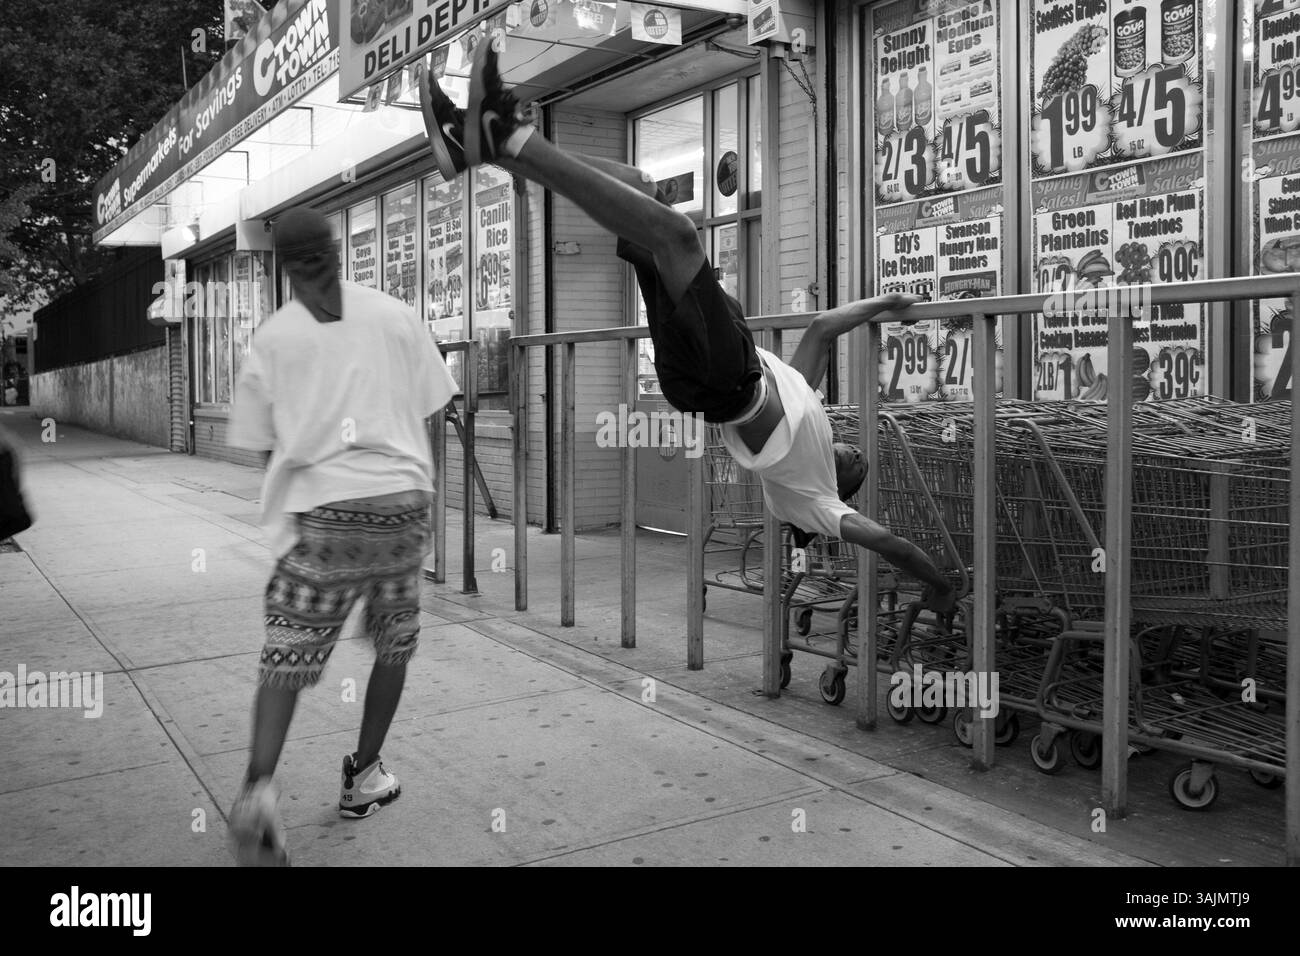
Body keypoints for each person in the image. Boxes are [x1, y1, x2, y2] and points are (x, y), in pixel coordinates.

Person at [419, 41, 955, 612]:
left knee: (676, 234)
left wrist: (940, 584)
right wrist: (886, 300)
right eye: (857, 452)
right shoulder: (803, 395)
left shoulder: (814, 500)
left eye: (856, 465)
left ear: (843, 483)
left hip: (725, 385)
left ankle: (502, 136)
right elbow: (825, 326)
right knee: (641, 187)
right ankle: (477, 146)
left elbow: (887, 541)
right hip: (723, 368)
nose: (853, 451)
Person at [226, 206, 456, 865]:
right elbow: (434, 412)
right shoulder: (394, 314)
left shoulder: (273, 338)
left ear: (284, 264)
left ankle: (258, 793)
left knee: (286, 655)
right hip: (402, 509)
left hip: (327, 516)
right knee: (394, 643)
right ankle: (364, 777)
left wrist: (299, 511)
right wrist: (424, 502)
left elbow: (261, 446)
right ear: (336, 250)